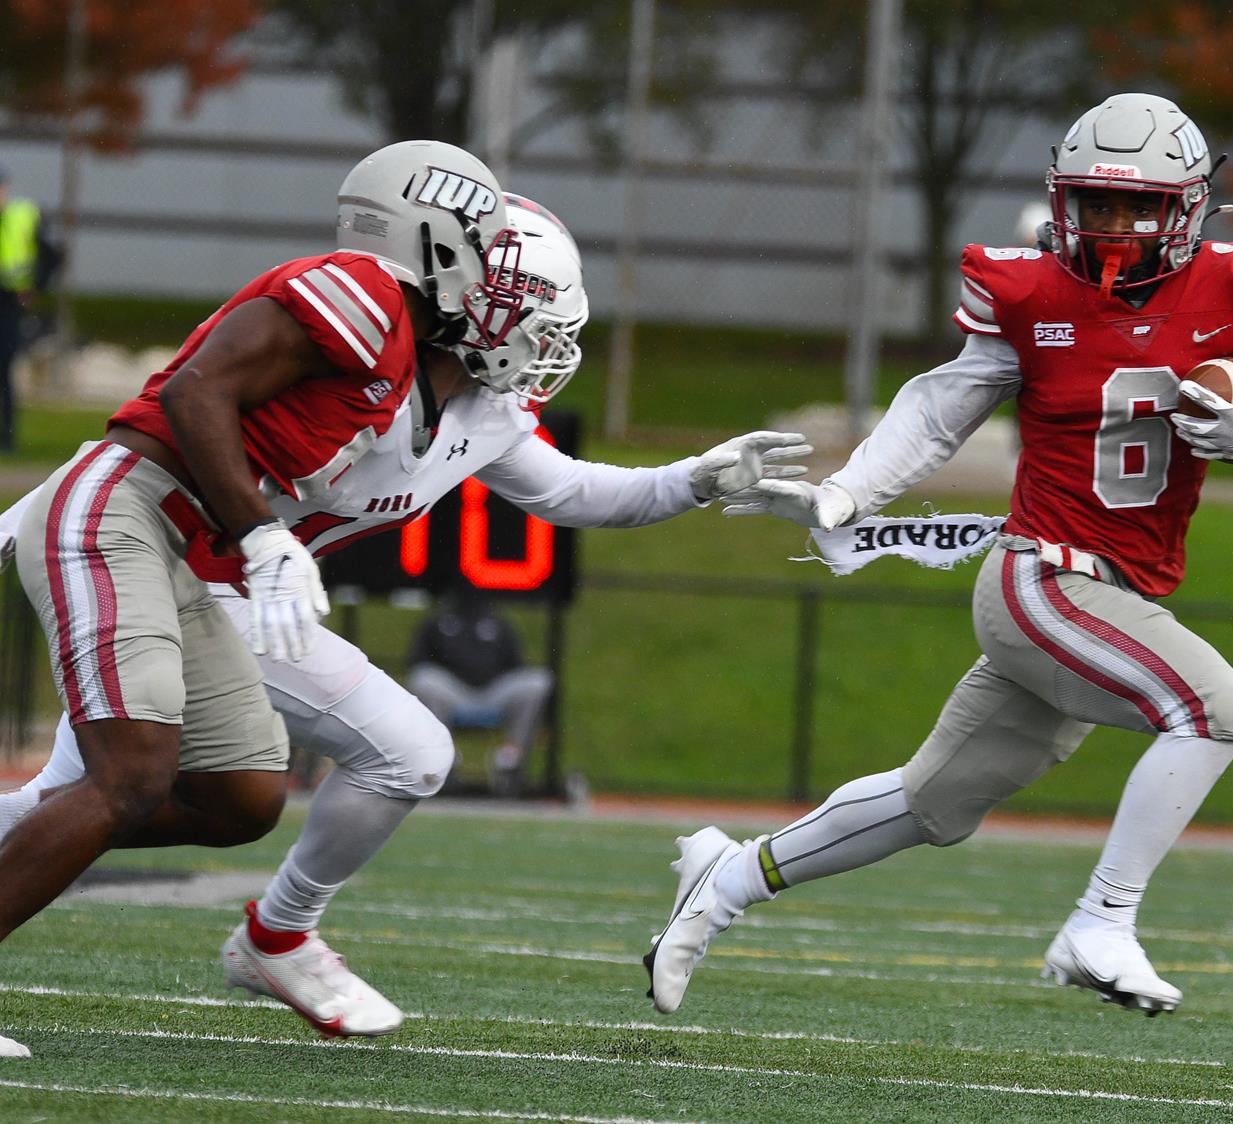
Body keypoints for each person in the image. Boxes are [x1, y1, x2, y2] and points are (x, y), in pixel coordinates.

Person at [0, 194, 810, 1040]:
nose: (547, 347)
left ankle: (279, 935)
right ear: (484, 303)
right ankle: (268, 932)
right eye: (538, 323)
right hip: (166, 552)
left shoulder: (486, 414)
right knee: (115, 788)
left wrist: (695, 479)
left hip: (241, 592)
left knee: (344, 768)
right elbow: (167, 419)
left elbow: (576, 492)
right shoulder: (356, 338)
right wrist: (30, 520)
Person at [644, 92, 1233, 1017]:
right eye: (1095, 203)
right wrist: (843, 494)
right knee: (1214, 710)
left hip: (1113, 589)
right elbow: (937, 412)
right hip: (1044, 578)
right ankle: (1103, 921)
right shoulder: (1031, 293)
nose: (1113, 226)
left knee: (932, 804)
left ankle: (727, 878)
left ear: (1186, 209)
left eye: (1136, 206)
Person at [0, 138, 524, 1058]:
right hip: (124, 510)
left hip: (175, 549)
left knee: (241, 797)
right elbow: (195, 389)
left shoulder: (400, 345)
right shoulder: (363, 289)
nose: (487, 270)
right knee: (131, 775)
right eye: (480, 242)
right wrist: (261, 535)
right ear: (430, 230)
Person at [406, 587, 552, 794]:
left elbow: (517, 666)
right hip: (452, 693)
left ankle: (510, 759)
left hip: (494, 693)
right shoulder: (435, 623)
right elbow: (417, 663)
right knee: (424, 679)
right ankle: (444, 756)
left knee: (538, 681)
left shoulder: (500, 624)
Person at [0, 166, 62, 452]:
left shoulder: (24, 216)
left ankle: (8, 437)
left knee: (4, 367)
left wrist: (36, 286)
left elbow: (51, 255)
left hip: (9, 302)